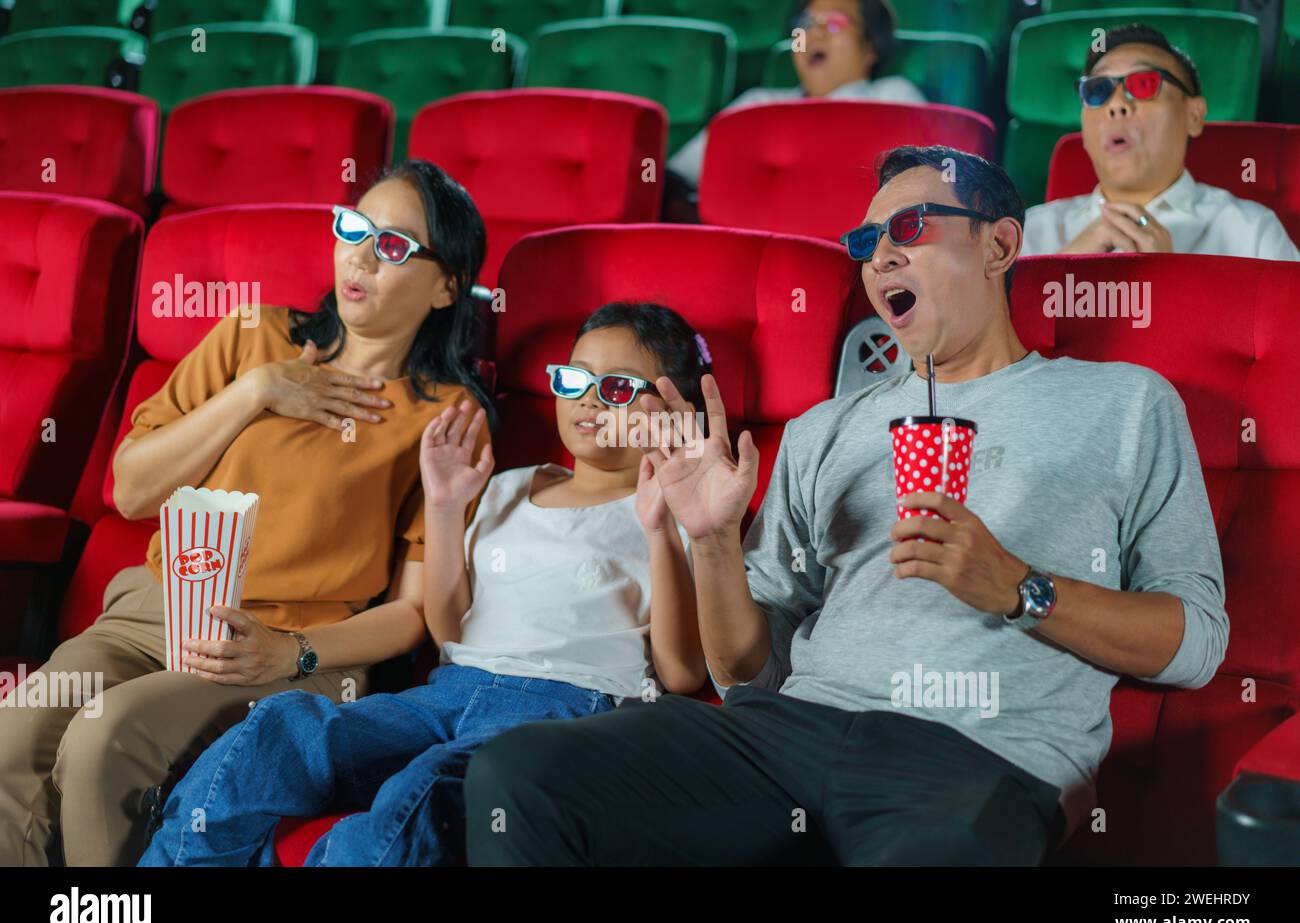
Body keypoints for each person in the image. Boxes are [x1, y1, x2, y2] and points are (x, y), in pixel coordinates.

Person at [462, 145, 1229, 866]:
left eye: (910, 228)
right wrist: (716, 540)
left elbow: (1195, 642)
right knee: (518, 775)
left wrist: (1020, 588)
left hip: (976, 760)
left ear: (998, 246)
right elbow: (744, 674)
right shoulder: (822, 429)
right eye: (867, 240)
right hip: (782, 737)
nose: (881, 255)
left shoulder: (1124, 403)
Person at [0, 160, 494, 866]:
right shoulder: (251, 339)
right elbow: (131, 490)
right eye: (354, 229)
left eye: (392, 246)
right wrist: (256, 393)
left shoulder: (446, 416)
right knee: (13, 735)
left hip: (287, 648)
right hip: (156, 607)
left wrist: (290, 651)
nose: (359, 255)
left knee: (104, 741)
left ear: (447, 285)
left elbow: (418, 615)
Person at [138, 302, 707, 866]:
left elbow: (682, 673)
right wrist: (443, 505)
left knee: (425, 788)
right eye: (576, 378)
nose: (587, 398)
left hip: (563, 711)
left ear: (676, 410)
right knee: (281, 727)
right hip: (446, 692)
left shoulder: (683, 510)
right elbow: (446, 627)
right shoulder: (509, 487)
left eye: (617, 389)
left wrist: (659, 530)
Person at [1021, 23, 1299, 260]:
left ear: (1194, 115)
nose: (1116, 105)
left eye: (1143, 84)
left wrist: (1172, 284)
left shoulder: (1252, 233)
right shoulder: (1029, 234)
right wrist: (1054, 275)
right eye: (1097, 91)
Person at [666, 0, 926, 191]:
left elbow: (928, 179)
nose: (815, 34)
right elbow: (679, 176)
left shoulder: (892, 97)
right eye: (805, 24)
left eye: (835, 23)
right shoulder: (758, 104)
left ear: (871, 47)